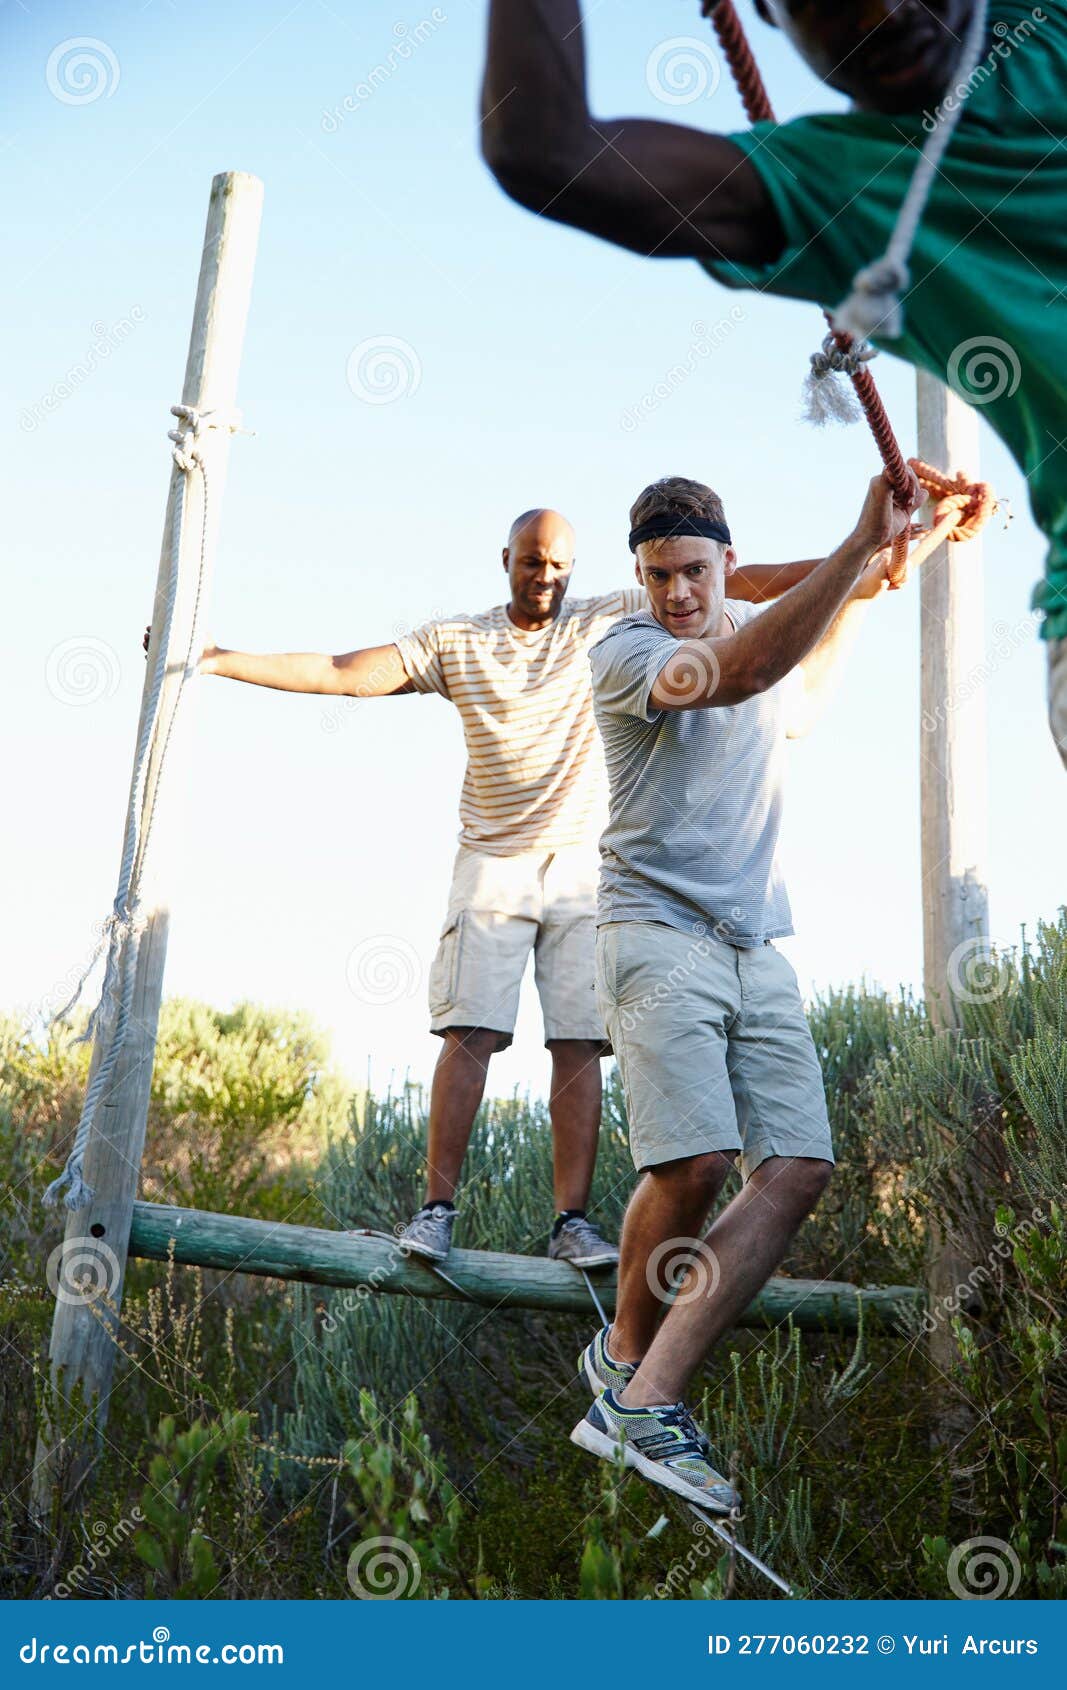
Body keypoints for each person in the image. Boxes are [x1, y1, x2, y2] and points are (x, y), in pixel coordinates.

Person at [190, 508, 822, 1266]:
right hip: (492, 859)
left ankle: (570, 1223)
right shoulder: (457, 640)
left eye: (559, 565)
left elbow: (744, 581)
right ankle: (435, 1210)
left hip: (583, 870)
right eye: (532, 562)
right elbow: (342, 671)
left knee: (580, 1041)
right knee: (472, 1029)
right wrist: (217, 657)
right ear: (506, 560)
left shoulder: (613, 616)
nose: (546, 576)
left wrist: (858, 561)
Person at [480, 0, 1067, 769]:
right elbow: (545, 151)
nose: (881, 12)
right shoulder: (842, 187)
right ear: (764, 15)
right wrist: (873, 546)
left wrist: (890, 544)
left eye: (691, 571)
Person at [570, 465, 919, 1509]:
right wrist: (854, 550)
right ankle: (629, 1365)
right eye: (653, 575)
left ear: (725, 560)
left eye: (688, 571)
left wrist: (899, 547)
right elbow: (735, 675)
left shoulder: (755, 628)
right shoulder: (632, 656)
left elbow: (796, 687)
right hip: (653, 929)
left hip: (755, 942)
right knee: (698, 1159)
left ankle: (640, 1397)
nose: (673, 593)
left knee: (798, 1167)